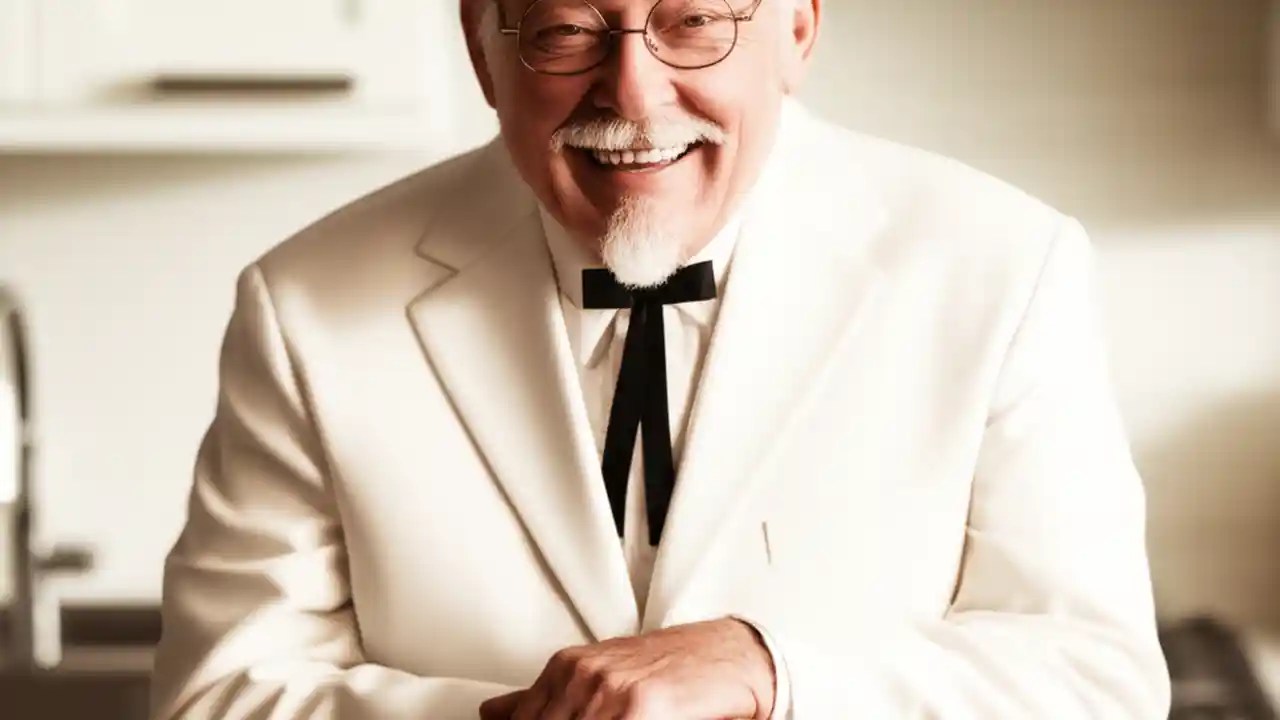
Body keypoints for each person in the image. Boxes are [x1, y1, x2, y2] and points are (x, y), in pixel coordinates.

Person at [150, 0, 1173, 718]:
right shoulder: (304, 306)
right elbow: (221, 695)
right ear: (481, 45)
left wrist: (767, 677)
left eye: (693, 22)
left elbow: (1092, 684)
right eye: (564, 32)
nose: (633, 93)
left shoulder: (1003, 268)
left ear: (796, 29)